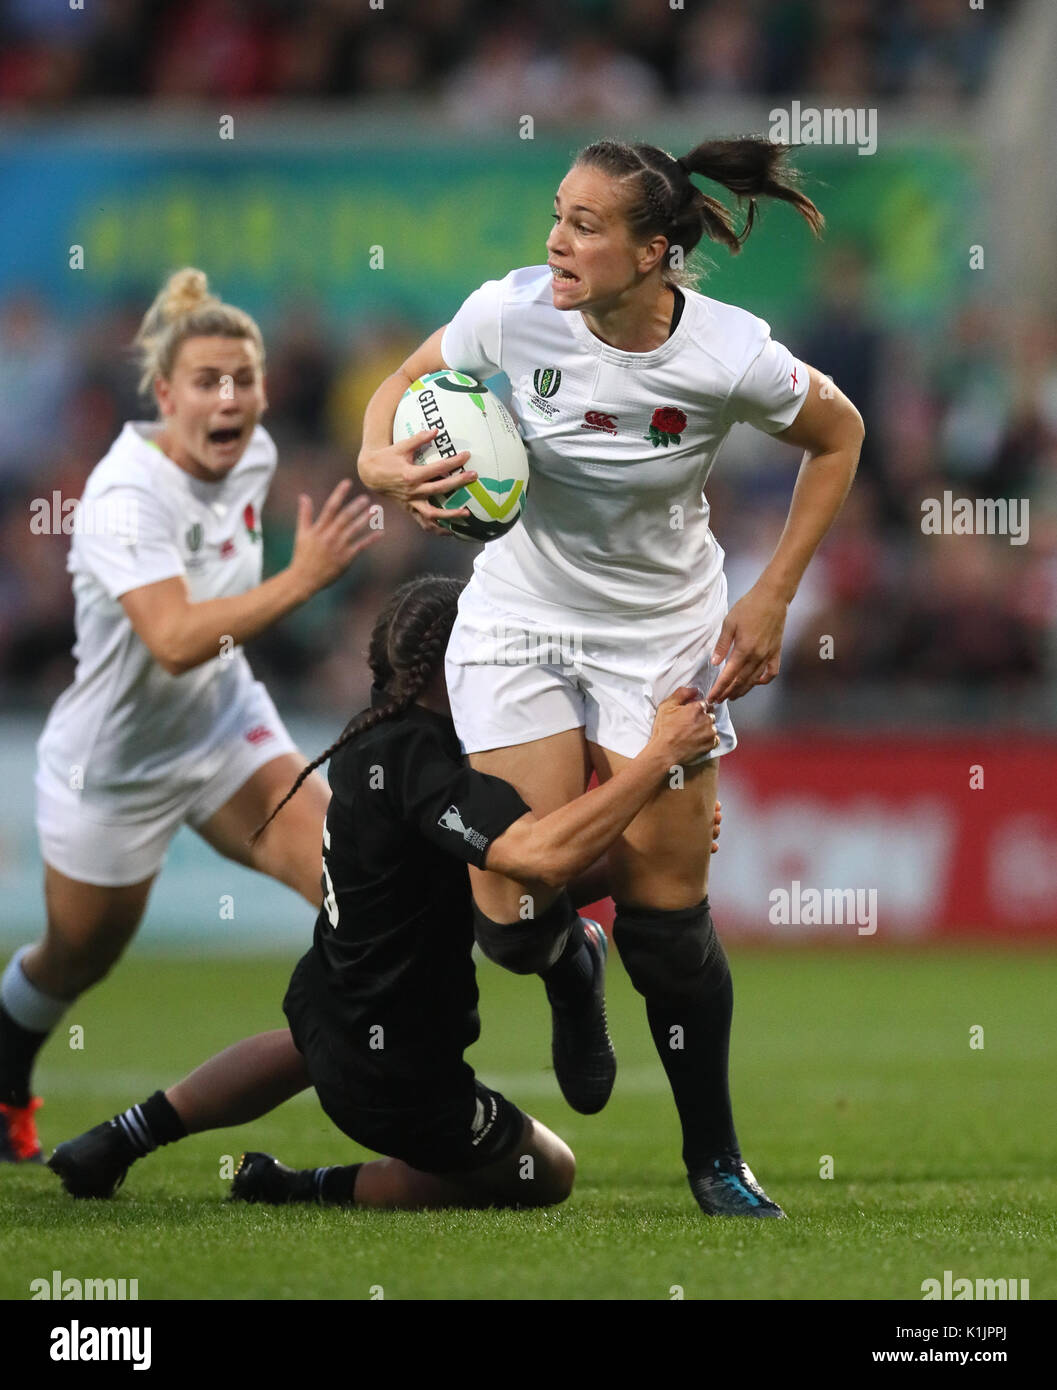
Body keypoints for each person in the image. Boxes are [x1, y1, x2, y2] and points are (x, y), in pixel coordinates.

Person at [356, 137, 865, 1217]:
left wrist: (772, 594)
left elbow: (839, 433)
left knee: (669, 925)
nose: (556, 238)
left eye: (587, 224)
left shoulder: (729, 353)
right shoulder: (509, 311)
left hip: (660, 635)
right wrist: (375, 459)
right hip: (519, 617)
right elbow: (403, 384)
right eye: (557, 213)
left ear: (657, 252)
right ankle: (565, 966)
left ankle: (714, 1158)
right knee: (507, 909)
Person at [49, 576, 721, 1210]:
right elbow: (540, 862)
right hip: (399, 1071)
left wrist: (645, 847)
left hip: (332, 1000)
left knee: (301, 1047)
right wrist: (658, 761)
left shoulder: (369, 740)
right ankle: (305, 1187)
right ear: (454, 663)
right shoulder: (432, 768)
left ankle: (121, 1137)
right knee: (546, 1172)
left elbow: (507, 889)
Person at [0, 267, 389, 1164]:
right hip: (114, 764)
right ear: (165, 394)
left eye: (243, 380)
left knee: (355, 888)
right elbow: (172, 637)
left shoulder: (249, 454)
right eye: (207, 382)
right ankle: (8, 1068)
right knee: (74, 957)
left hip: (222, 727)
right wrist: (301, 580)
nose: (230, 399)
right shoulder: (124, 495)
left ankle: (385, 1079)